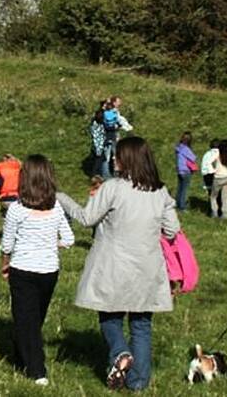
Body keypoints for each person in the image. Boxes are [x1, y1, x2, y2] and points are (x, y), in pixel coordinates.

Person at [56, 137, 181, 391]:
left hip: (113, 265)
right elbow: (172, 230)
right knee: (142, 325)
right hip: (147, 268)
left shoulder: (112, 188)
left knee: (109, 318)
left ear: (128, 159)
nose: (113, 159)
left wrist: (60, 197)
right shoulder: (160, 192)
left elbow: (86, 218)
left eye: (117, 155)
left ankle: (120, 352)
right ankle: (138, 383)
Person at [0, 154, 75, 386]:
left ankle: (37, 370)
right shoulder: (56, 209)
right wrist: (52, 244)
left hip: (22, 269)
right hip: (49, 271)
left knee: (26, 319)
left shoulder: (16, 210)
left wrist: (5, 263)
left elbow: (7, 243)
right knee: (34, 318)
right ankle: (23, 355)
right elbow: (69, 238)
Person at [102, 96, 132, 176]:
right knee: (113, 155)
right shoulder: (114, 112)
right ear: (114, 103)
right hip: (112, 135)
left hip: (108, 136)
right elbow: (120, 121)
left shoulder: (106, 112)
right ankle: (114, 173)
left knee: (109, 156)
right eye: (118, 101)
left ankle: (109, 173)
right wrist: (128, 128)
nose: (120, 102)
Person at [209, 139, 227, 219]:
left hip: (218, 178)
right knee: (225, 197)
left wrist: (213, 169)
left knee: (213, 196)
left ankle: (214, 213)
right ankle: (225, 214)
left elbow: (210, 162)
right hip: (226, 178)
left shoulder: (217, 154)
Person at [173, 132, 197, 211]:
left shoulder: (179, 148)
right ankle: (182, 207)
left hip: (180, 171)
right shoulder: (186, 149)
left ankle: (177, 204)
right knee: (184, 190)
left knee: (179, 188)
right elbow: (193, 158)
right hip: (186, 171)